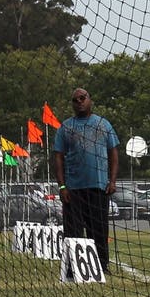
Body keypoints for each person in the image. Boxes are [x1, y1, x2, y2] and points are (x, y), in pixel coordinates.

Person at [53, 88, 119, 274]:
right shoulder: (65, 127)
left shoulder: (103, 124)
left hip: (98, 186)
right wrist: (62, 185)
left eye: (83, 98)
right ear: (72, 104)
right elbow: (58, 157)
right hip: (73, 188)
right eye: (75, 100)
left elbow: (113, 153)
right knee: (73, 229)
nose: (79, 101)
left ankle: (101, 266)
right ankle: (74, 267)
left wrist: (112, 181)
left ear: (90, 99)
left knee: (98, 228)